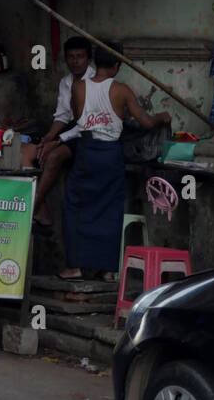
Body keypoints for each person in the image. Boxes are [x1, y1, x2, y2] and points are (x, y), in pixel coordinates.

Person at [61, 41, 171, 281]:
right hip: (110, 155)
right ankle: (107, 270)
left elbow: (78, 116)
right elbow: (146, 122)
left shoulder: (78, 87)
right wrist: (162, 116)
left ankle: (75, 267)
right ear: (117, 65)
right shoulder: (122, 90)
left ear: (94, 62)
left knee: (76, 207)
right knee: (110, 209)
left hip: (86, 152)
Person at [23, 37, 95, 227]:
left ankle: (32, 206)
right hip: (70, 129)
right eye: (71, 57)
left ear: (88, 59)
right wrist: (48, 138)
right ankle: (41, 208)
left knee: (54, 157)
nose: (75, 61)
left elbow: (86, 123)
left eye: (80, 56)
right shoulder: (66, 82)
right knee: (30, 150)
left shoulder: (95, 82)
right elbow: (62, 116)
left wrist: (58, 141)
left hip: (88, 133)